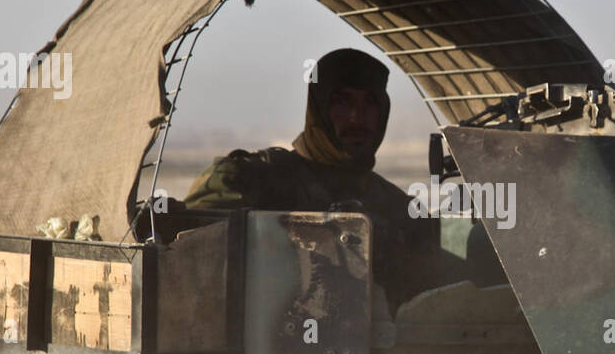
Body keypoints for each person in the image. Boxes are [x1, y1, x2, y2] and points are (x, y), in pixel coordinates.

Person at [184, 48, 447, 308]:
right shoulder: (249, 181)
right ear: (318, 108)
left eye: (369, 103)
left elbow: (434, 306)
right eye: (342, 103)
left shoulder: (400, 210)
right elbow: (189, 265)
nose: (357, 118)